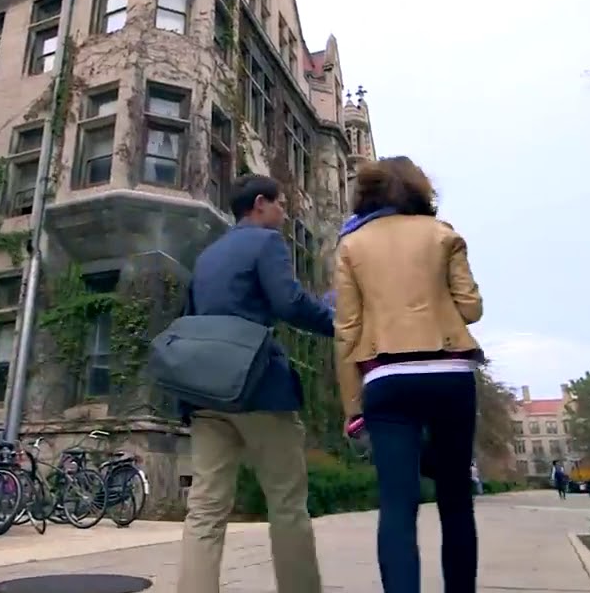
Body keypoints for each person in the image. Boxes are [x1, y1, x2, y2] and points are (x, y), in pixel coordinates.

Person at [176, 174, 335, 593]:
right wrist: (337, 321)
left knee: (205, 510)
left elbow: (190, 315)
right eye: (280, 204)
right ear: (260, 204)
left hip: (205, 392)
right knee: (286, 504)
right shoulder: (266, 243)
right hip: (257, 386)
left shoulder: (207, 256)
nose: (283, 213)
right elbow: (289, 302)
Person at [333, 156, 484, 593]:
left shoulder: (352, 245)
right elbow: (471, 309)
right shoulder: (443, 235)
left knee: (397, 507)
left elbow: (346, 331)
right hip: (449, 371)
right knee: (456, 501)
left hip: (387, 377)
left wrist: (352, 407)